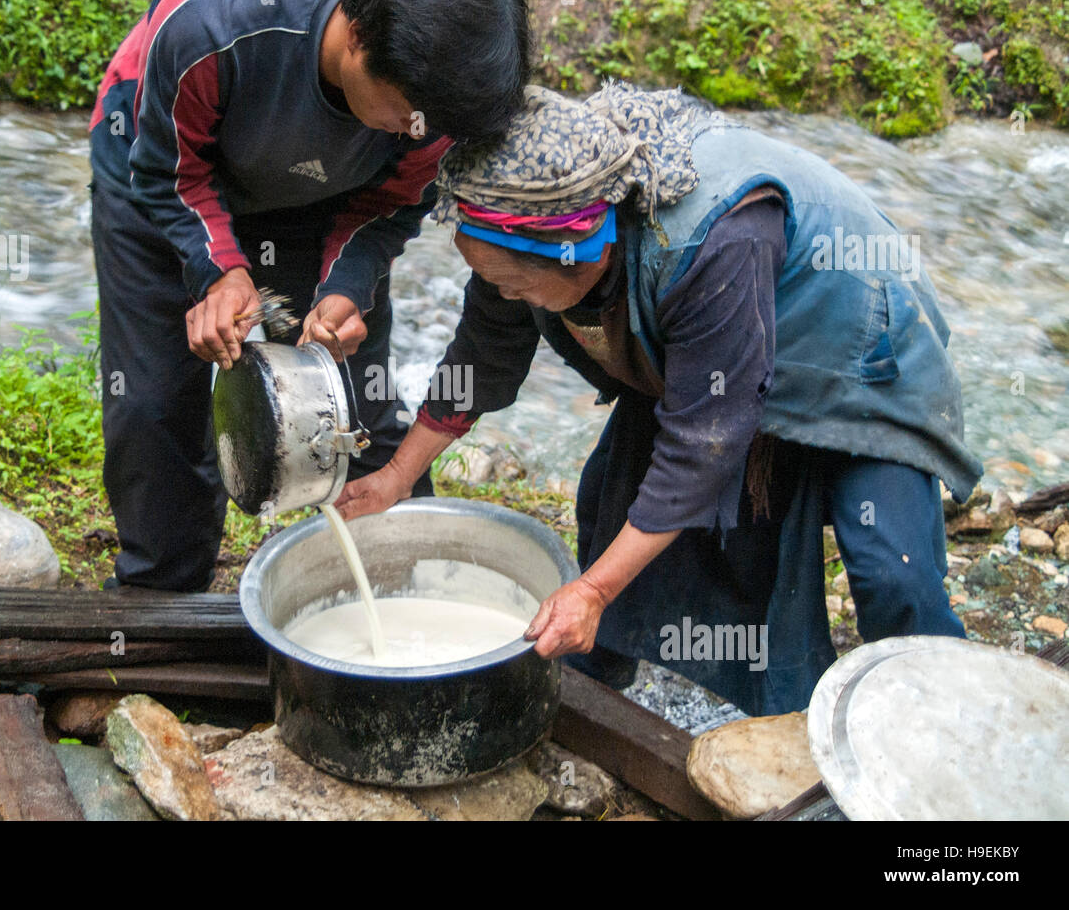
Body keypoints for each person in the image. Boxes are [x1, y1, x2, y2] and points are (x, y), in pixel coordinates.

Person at [336, 83, 985, 716]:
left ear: (579, 255)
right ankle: (598, 671)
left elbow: (702, 446)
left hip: (856, 350)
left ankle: (940, 718)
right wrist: (397, 474)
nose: (499, 294)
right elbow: (481, 356)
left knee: (891, 571)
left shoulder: (711, 241)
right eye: (490, 281)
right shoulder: (522, 221)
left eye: (510, 284)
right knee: (608, 501)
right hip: (714, 351)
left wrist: (593, 588)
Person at [88, 0, 532, 592]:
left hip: (325, 193)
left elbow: (391, 204)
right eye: (408, 115)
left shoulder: (436, 104)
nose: (420, 135)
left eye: (435, 127)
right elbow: (168, 172)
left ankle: (395, 595)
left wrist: (345, 289)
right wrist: (221, 274)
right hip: (161, 166)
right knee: (153, 404)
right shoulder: (210, 23)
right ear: (356, 36)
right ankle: (161, 599)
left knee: (355, 401)